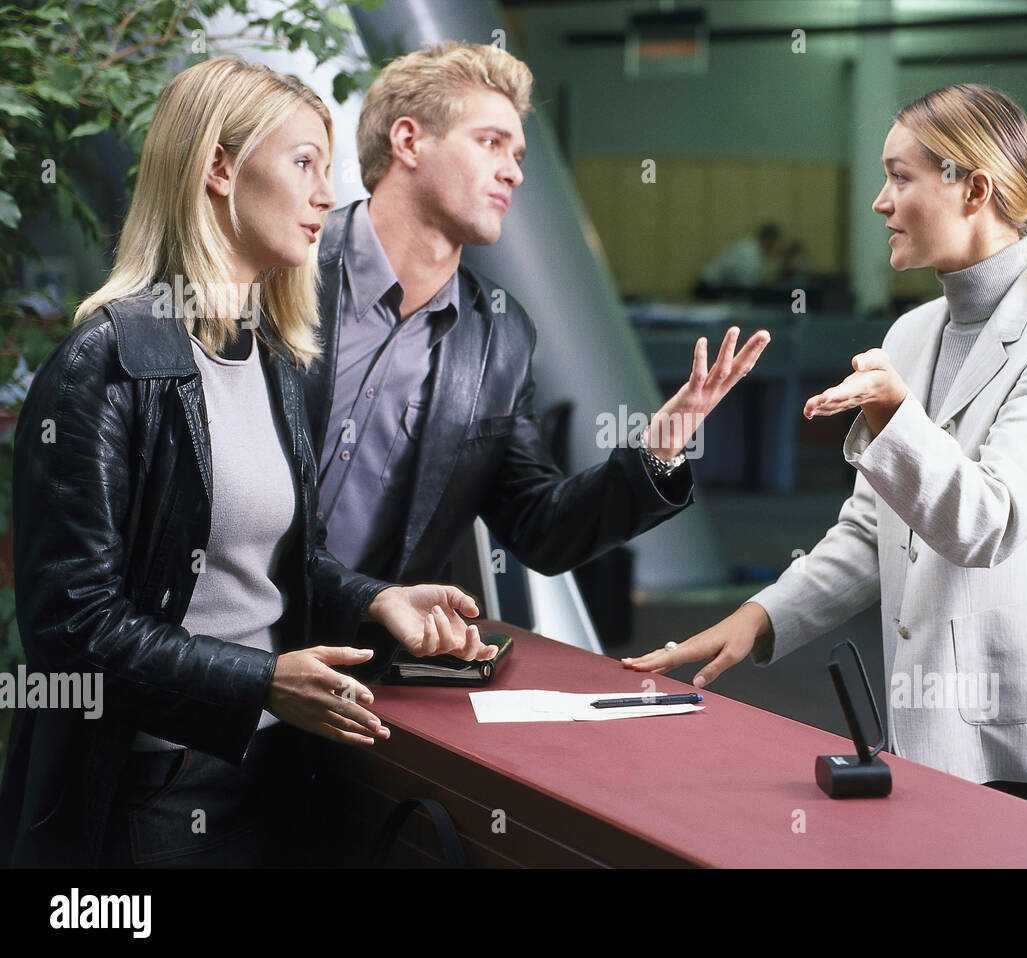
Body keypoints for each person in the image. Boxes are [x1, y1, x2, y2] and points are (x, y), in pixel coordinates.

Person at [624, 83, 1027, 852]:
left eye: (900, 176)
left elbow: (987, 523)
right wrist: (757, 619)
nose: (879, 202)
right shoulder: (912, 334)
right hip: (950, 741)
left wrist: (896, 418)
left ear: (975, 189)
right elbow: (870, 530)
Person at [0, 56, 494, 868]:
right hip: (149, 797)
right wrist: (258, 682)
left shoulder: (268, 358)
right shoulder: (105, 364)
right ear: (220, 168)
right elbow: (70, 628)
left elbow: (271, 562)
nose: (326, 196)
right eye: (303, 162)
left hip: (271, 775)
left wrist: (378, 602)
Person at [303, 41, 769, 665]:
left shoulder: (500, 335)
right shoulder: (287, 272)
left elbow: (540, 529)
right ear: (409, 142)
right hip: (223, 654)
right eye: (490, 142)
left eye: (518, 154)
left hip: (362, 673)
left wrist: (659, 446)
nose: (514, 172)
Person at [696, 222, 783, 292]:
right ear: (769, 240)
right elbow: (743, 287)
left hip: (723, 287)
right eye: (776, 243)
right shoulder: (749, 254)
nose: (776, 248)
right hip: (710, 288)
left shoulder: (757, 251)